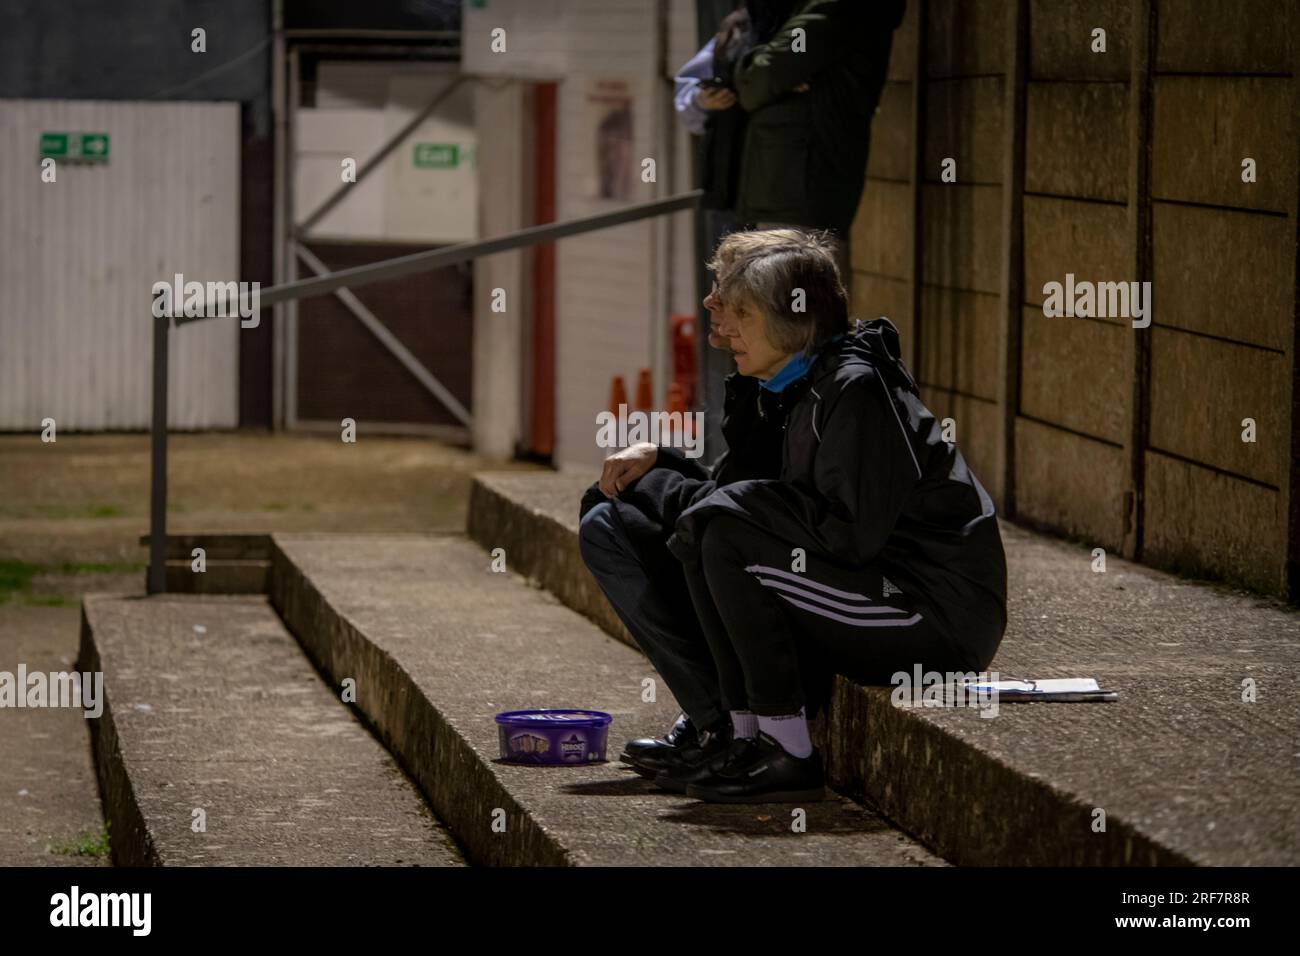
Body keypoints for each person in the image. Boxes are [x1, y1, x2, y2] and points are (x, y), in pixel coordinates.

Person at [660, 228, 1007, 804]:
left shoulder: (856, 389)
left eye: (743, 314)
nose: (728, 329)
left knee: (726, 533)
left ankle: (787, 749)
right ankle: (746, 736)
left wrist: (741, 504)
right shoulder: (800, 383)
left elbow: (849, 535)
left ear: (794, 321)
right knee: (714, 530)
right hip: (886, 589)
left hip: (936, 619)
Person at [578, 232, 830, 782]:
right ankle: (716, 720)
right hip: (756, 555)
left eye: (730, 294)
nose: (712, 303)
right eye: (718, 288)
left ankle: (732, 726)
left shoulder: (815, 385)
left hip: (800, 585)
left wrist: (661, 472)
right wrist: (663, 457)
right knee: (607, 516)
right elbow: (728, 486)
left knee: (678, 528)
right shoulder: (757, 378)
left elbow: (741, 506)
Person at [731, 0, 906, 276]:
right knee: (783, 299)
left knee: (793, 300)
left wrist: (748, 68)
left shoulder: (834, 7)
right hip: (793, 179)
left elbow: (760, 79)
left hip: (801, 179)